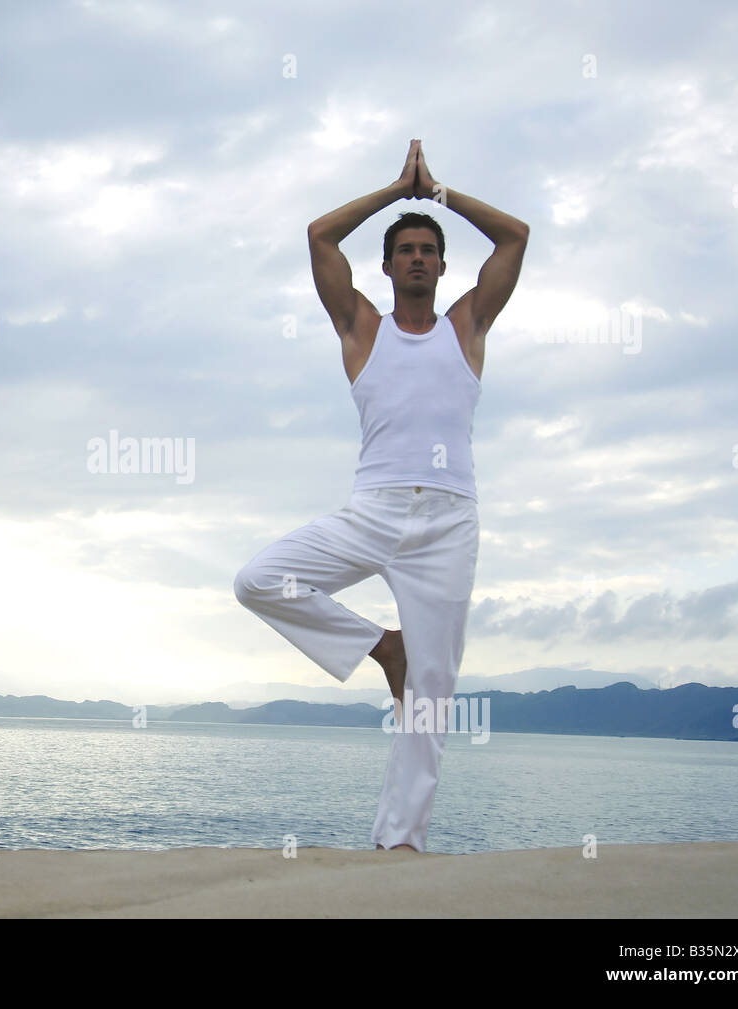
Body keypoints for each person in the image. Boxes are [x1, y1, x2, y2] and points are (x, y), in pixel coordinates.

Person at [233, 140, 527, 852]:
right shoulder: (363, 328)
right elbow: (319, 236)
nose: (420, 257)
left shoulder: (467, 327)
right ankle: (378, 648)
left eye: (430, 249)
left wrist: (442, 194)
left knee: (432, 694)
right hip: (375, 509)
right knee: (258, 580)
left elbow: (516, 236)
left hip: (451, 519)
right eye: (408, 250)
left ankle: (401, 841)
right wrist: (398, 193)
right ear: (389, 265)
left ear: (444, 265)